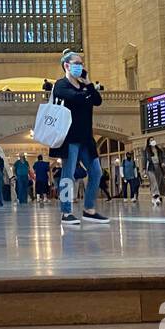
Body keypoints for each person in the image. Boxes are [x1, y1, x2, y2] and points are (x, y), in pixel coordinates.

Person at [47, 50, 108, 227]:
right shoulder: (60, 85)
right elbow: (76, 98)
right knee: (68, 175)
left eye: (81, 63)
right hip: (69, 137)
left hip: (86, 138)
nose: (80, 66)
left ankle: (89, 209)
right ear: (66, 65)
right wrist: (88, 93)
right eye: (76, 63)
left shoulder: (84, 86)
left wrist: (88, 84)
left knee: (96, 172)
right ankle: (66, 212)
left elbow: (97, 100)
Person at [143, 138, 165, 207]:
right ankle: (157, 197)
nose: (152, 141)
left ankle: (154, 197)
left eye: (153, 140)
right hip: (150, 167)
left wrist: (163, 163)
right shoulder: (146, 151)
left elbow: (163, 157)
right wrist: (144, 169)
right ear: (148, 142)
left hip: (158, 167)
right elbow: (145, 160)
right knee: (154, 182)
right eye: (151, 140)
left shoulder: (159, 150)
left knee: (158, 183)